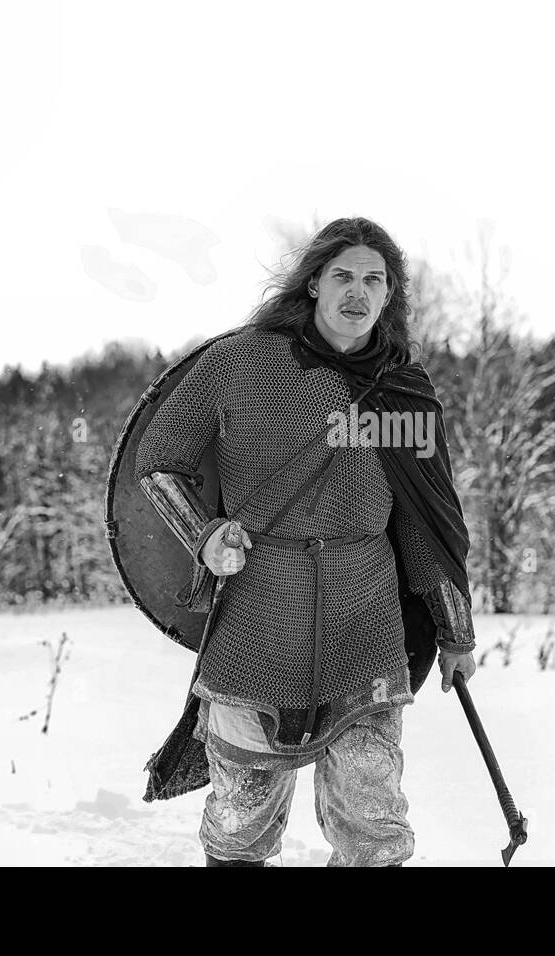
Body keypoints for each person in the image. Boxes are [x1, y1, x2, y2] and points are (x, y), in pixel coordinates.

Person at [134, 216, 477, 867]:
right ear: (315, 282)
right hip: (257, 626)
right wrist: (204, 538)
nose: (358, 291)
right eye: (343, 274)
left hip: (367, 629)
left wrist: (455, 632)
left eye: (375, 279)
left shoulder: (403, 391)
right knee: (238, 827)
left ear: (390, 294)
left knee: (373, 826)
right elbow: (159, 464)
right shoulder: (238, 362)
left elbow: (425, 523)